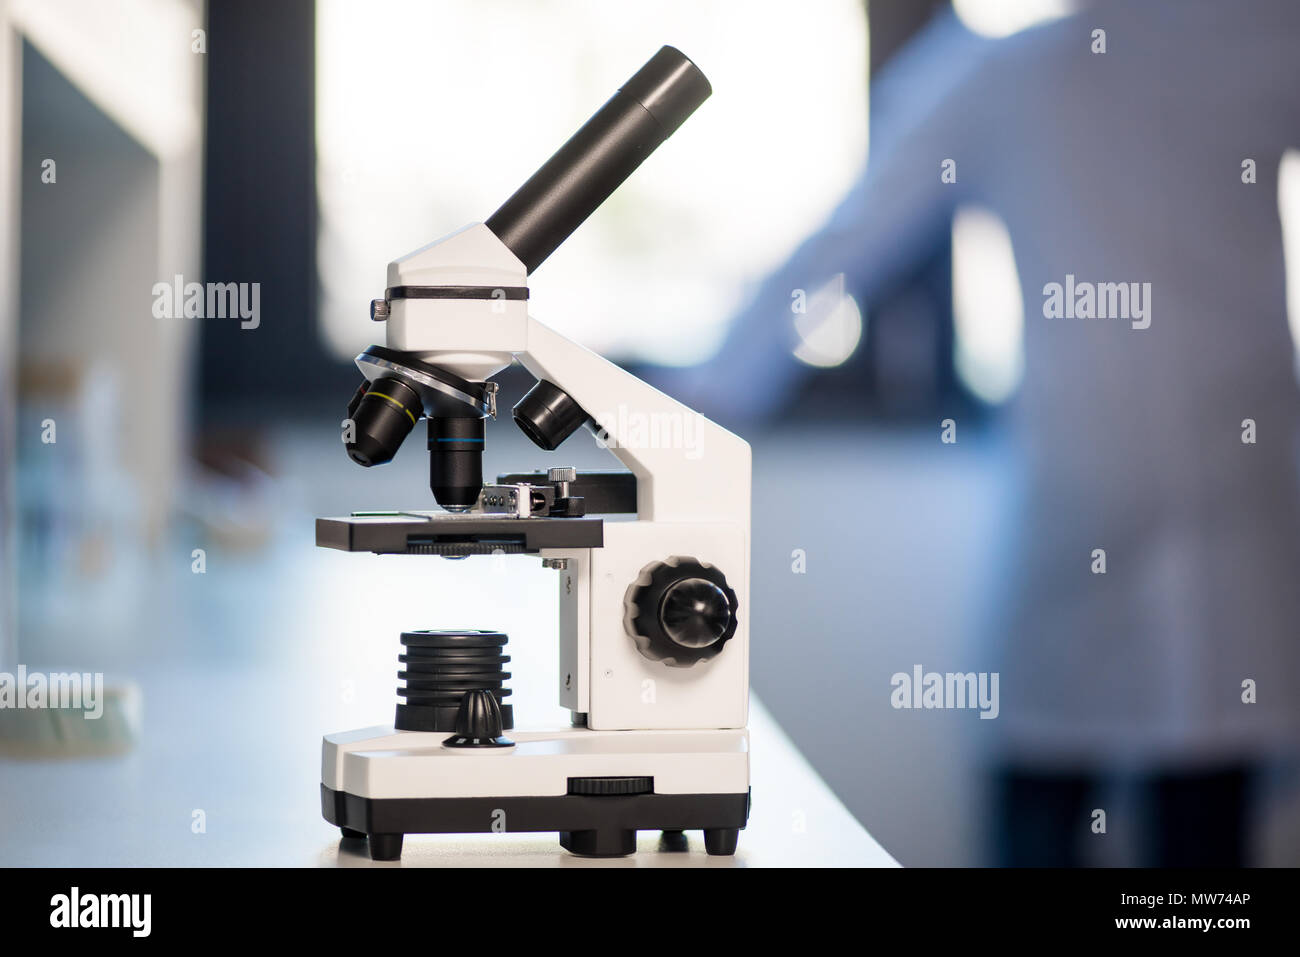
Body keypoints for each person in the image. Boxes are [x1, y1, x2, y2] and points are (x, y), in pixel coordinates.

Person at [668, 0, 1300, 865]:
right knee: (1194, 835)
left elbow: (846, 243)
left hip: (1158, 496)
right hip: (1181, 500)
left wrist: (692, 408)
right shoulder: (1255, 42)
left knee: (1103, 809)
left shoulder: (1010, 72)